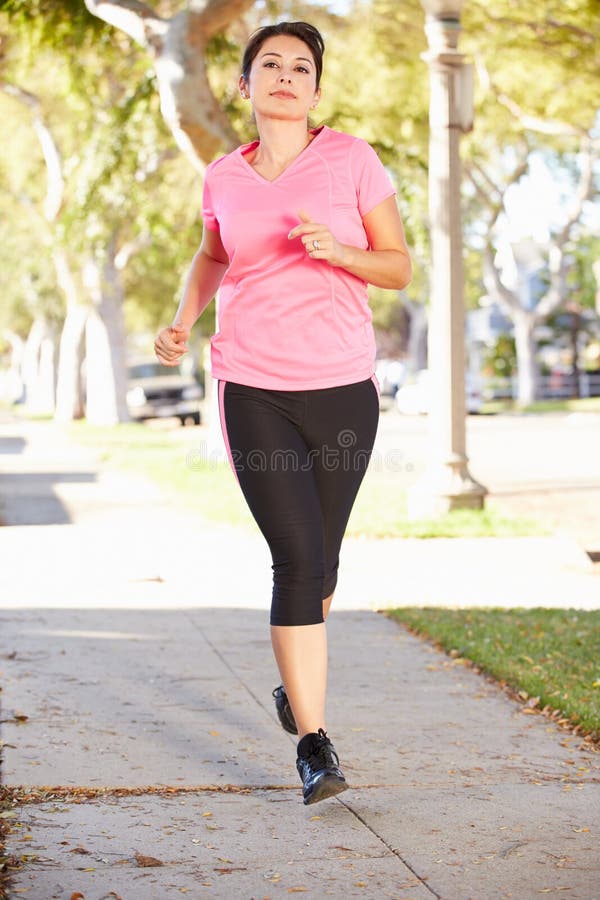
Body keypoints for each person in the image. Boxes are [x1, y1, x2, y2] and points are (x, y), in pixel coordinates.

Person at [154, 20, 412, 805]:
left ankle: (292, 688)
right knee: (297, 560)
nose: (287, 76)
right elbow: (212, 253)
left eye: (302, 67)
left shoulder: (352, 159)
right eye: (271, 65)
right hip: (253, 387)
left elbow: (398, 265)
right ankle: (313, 744)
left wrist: (342, 252)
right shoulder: (223, 177)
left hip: (341, 390)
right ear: (245, 85)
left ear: (316, 90)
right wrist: (183, 317)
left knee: (323, 567)